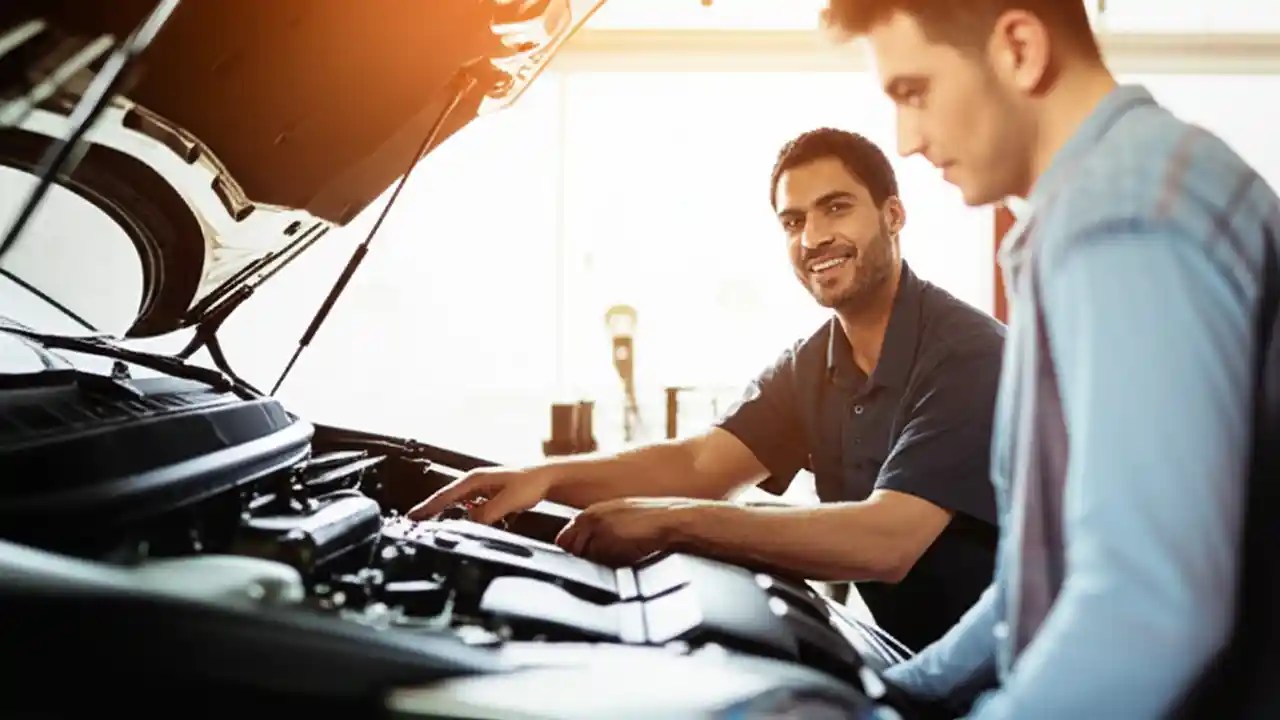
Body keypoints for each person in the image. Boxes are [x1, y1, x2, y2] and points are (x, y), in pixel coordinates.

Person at [820, 0, 1280, 717]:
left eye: (915, 93)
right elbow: (1040, 577)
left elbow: (1144, 613)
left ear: (1020, 49)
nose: (907, 140)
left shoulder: (1124, 218)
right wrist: (902, 692)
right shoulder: (1131, 189)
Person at [411, 127, 1007, 653]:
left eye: (836, 208)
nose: (813, 238)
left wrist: (674, 522)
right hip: (916, 666)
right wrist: (543, 478)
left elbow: (887, 542)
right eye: (793, 222)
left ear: (893, 215)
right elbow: (702, 464)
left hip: (1016, 682)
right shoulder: (812, 364)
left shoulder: (969, 355)